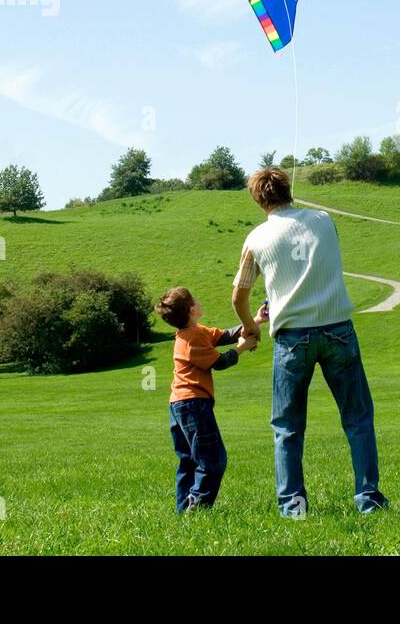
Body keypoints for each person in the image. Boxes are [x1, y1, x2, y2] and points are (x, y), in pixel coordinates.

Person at [231, 167, 387, 517]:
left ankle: (293, 508)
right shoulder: (325, 220)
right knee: (358, 418)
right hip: (338, 330)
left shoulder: (256, 239)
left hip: (292, 339)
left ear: (258, 200)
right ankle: (369, 501)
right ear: (288, 189)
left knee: (287, 427)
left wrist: (249, 328)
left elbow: (239, 297)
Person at [157, 286, 256, 513]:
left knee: (188, 460)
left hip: (178, 403)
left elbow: (224, 335)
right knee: (212, 460)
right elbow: (219, 362)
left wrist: (254, 321)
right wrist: (241, 349)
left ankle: (184, 509)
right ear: (192, 309)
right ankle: (197, 507)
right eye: (196, 299)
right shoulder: (192, 339)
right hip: (193, 404)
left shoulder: (195, 332)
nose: (199, 301)